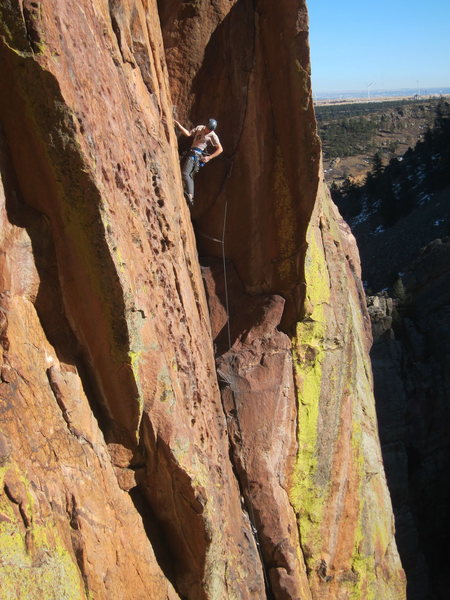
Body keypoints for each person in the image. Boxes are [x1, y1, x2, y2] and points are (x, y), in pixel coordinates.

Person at [174, 118, 223, 205]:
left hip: (197, 155)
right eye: (207, 128)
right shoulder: (200, 128)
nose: (208, 131)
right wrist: (178, 125)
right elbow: (189, 134)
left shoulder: (212, 136)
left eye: (210, 130)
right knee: (187, 174)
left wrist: (209, 157)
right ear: (206, 125)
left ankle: (190, 195)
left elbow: (220, 149)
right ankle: (190, 195)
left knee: (186, 174)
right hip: (191, 152)